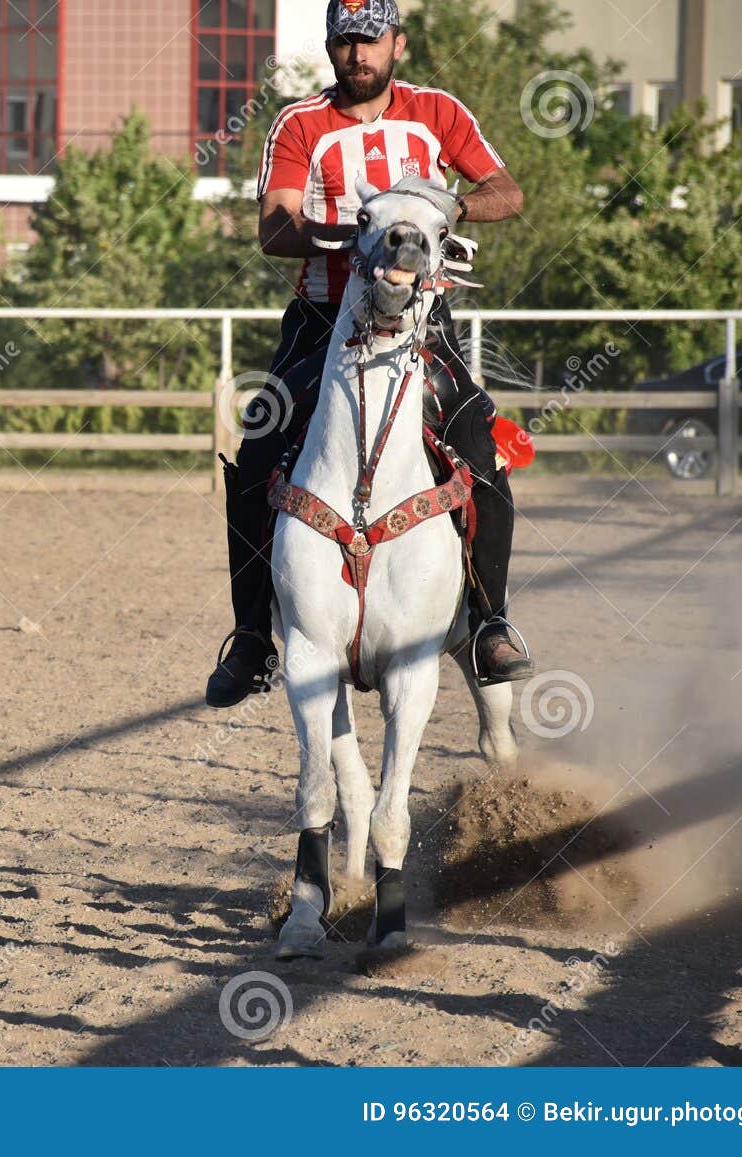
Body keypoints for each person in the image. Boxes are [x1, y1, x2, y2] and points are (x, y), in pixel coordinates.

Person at [205, 0, 534, 709]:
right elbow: (274, 226)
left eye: (372, 41)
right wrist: (359, 230)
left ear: (398, 44)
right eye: (347, 42)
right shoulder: (300, 124)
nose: (360, 55)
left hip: (421, 319)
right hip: (323, 318)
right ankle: (253, 638)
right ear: (330, 48)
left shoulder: (438, 113)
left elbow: (507, 193)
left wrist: (437, 208)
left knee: (478, 431)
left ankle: (489, 622)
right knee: (259, 440)